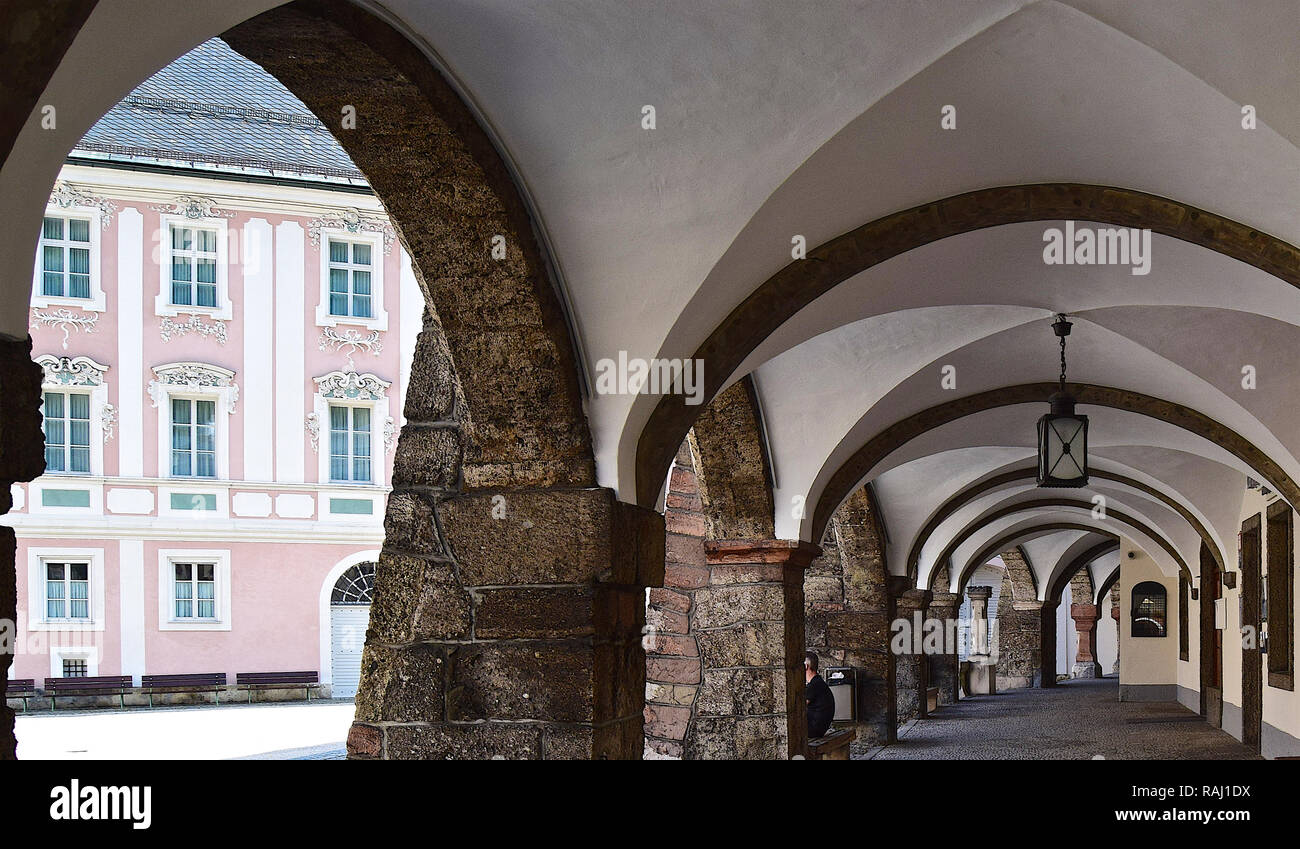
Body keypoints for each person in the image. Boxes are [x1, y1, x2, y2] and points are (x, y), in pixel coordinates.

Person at [805, 651, 835, 739]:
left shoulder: (814, 685)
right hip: (820, 729)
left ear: (806, 666)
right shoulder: (818, 682)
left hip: (813, 731)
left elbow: (798, 709)